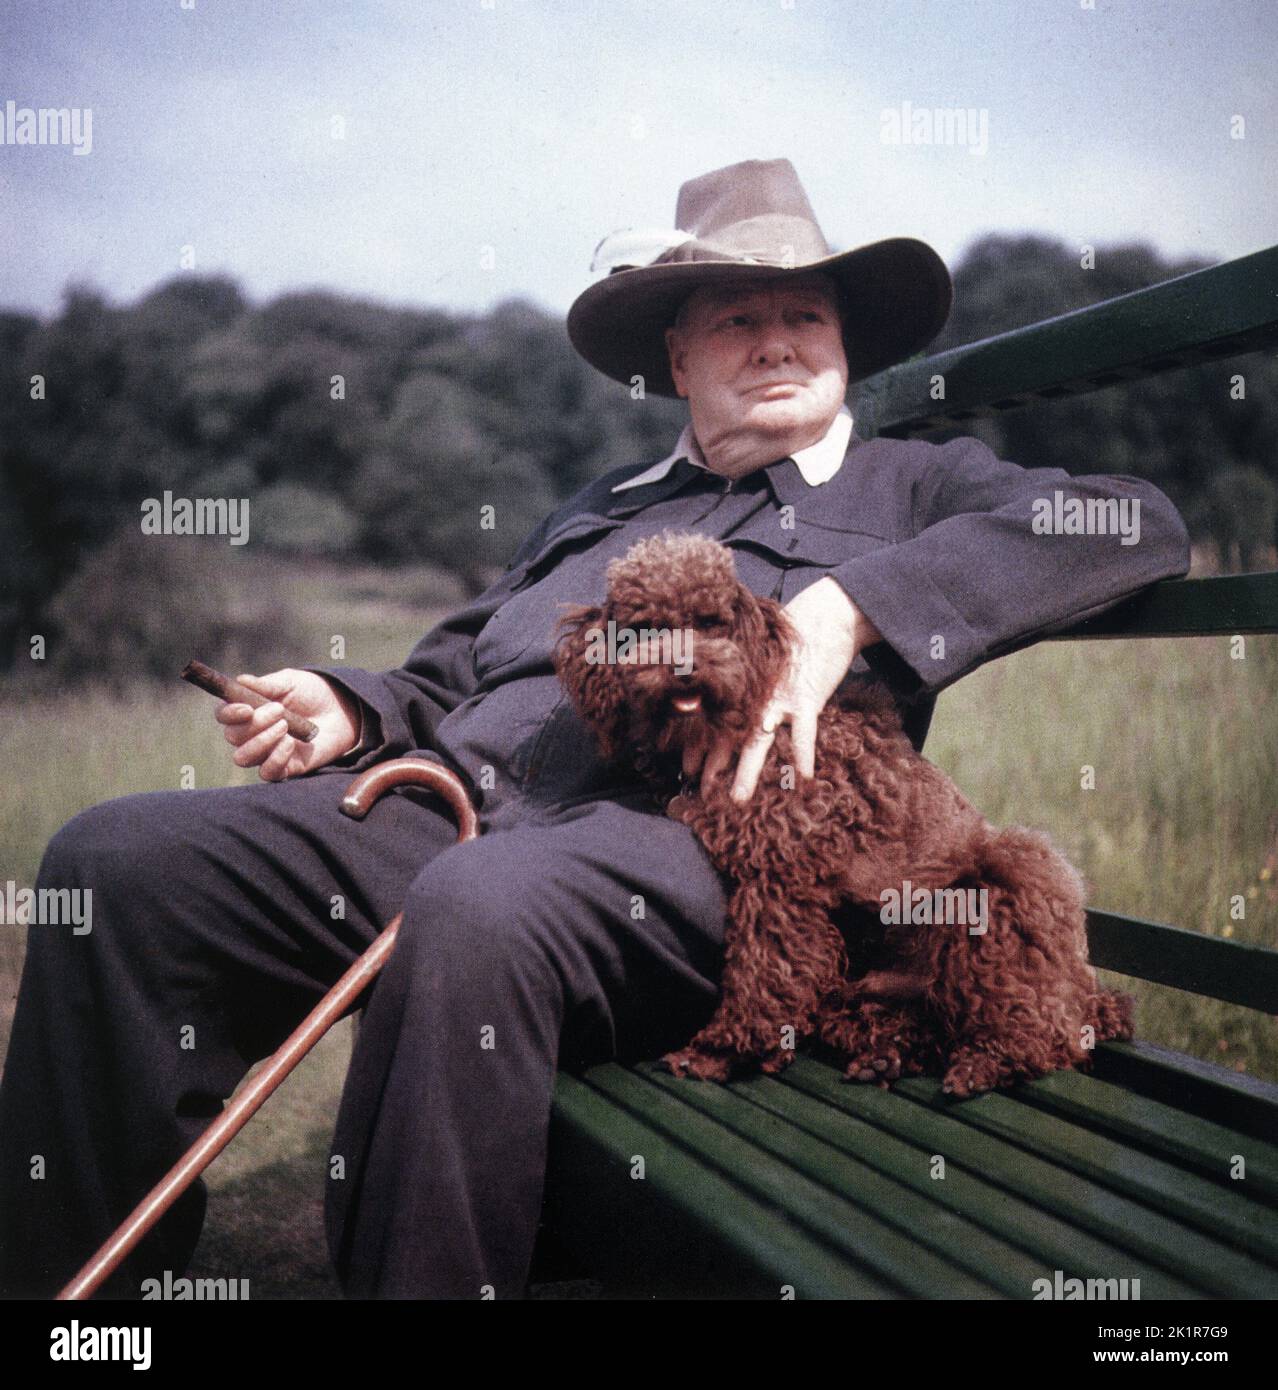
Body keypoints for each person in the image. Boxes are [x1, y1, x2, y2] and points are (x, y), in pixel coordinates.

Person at [0, 158, 1191, 1300]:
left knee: (477, 907)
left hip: (688, 857)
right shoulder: (599, 510)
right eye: (737, 317)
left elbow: (1129, 520)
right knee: (113, 865)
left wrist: (855, 604)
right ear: (679, 358)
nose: (776, 338)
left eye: (804, 314)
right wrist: (350, 705)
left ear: (845, 343)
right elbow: (455, 669)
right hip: (448, 809)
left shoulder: (907, 486)